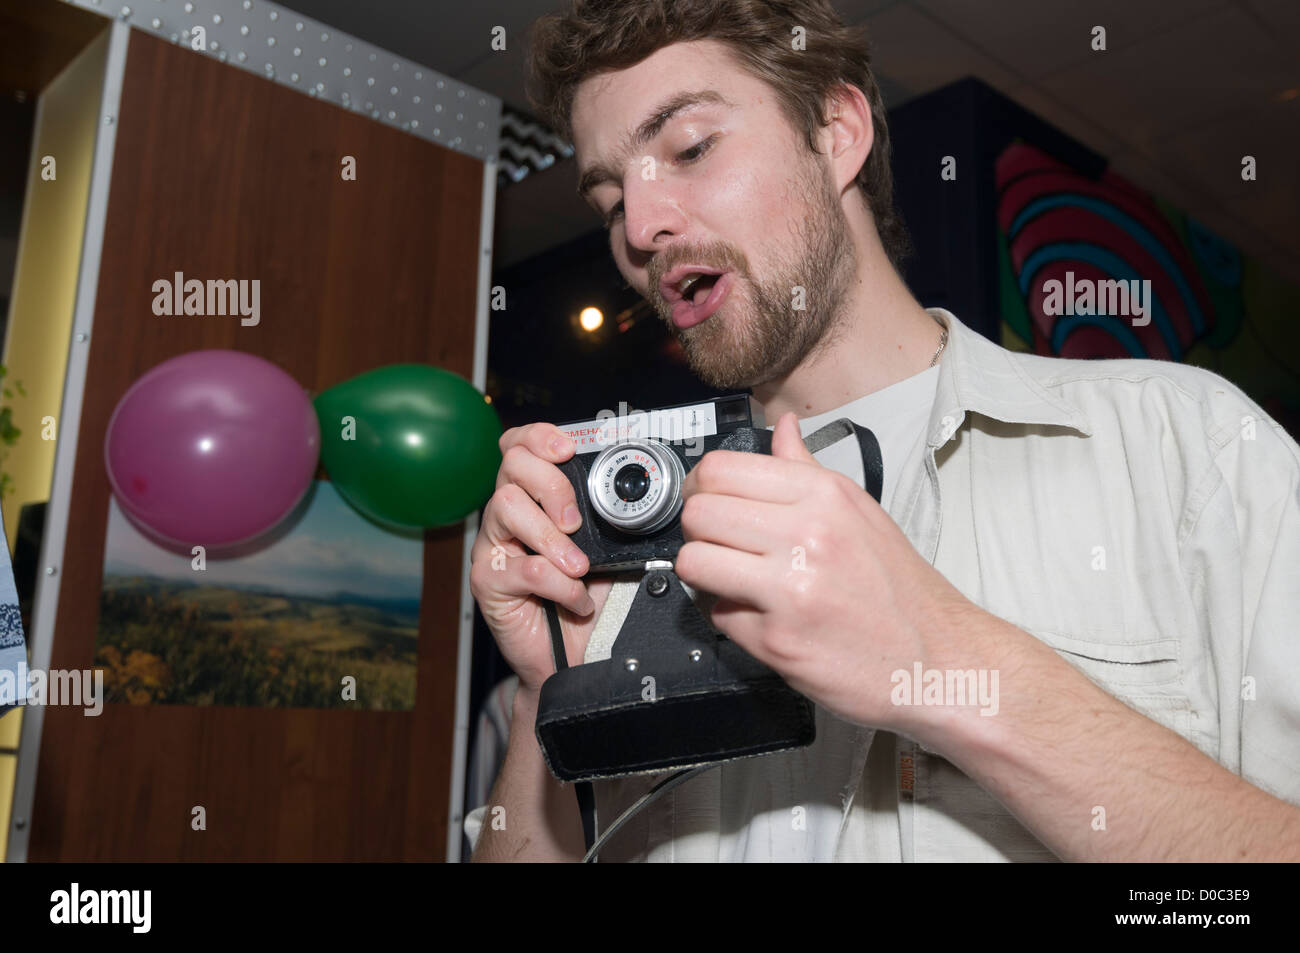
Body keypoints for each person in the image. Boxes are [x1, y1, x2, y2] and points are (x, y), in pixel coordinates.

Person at [465, 0, 1300, 861]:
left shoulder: (1183, 452)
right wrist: (549, 694)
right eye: (610, 201)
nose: (641, 230)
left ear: (836, 131)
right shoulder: (628, 534)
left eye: (690, 149)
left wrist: (937, 657)